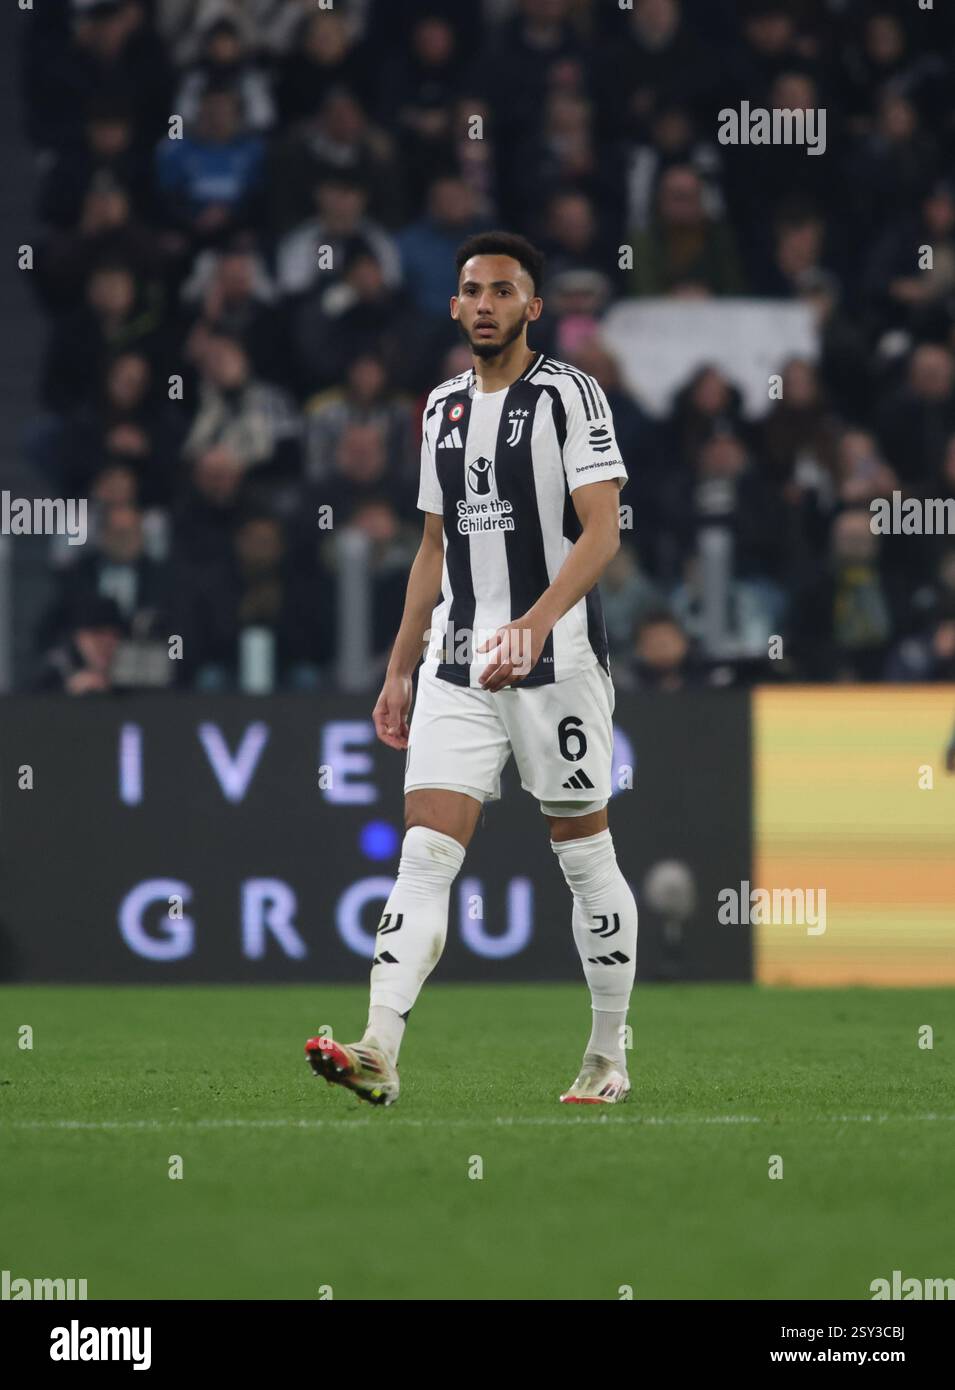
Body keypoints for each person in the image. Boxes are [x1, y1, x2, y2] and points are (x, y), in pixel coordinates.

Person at [305, 231, 638, 1106]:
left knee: (583, 856)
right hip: (456, 663)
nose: (484, 303)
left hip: (555, 660)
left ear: (533, 308)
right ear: (453, 306)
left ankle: (607, 1056)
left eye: (502, 290)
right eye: (471, 291)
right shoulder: (441, 406)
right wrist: (398, 668)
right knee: (422, 852)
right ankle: (378, 1046)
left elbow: (601, 530)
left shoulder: (571, 395)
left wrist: (531, 624)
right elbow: (431, 548)